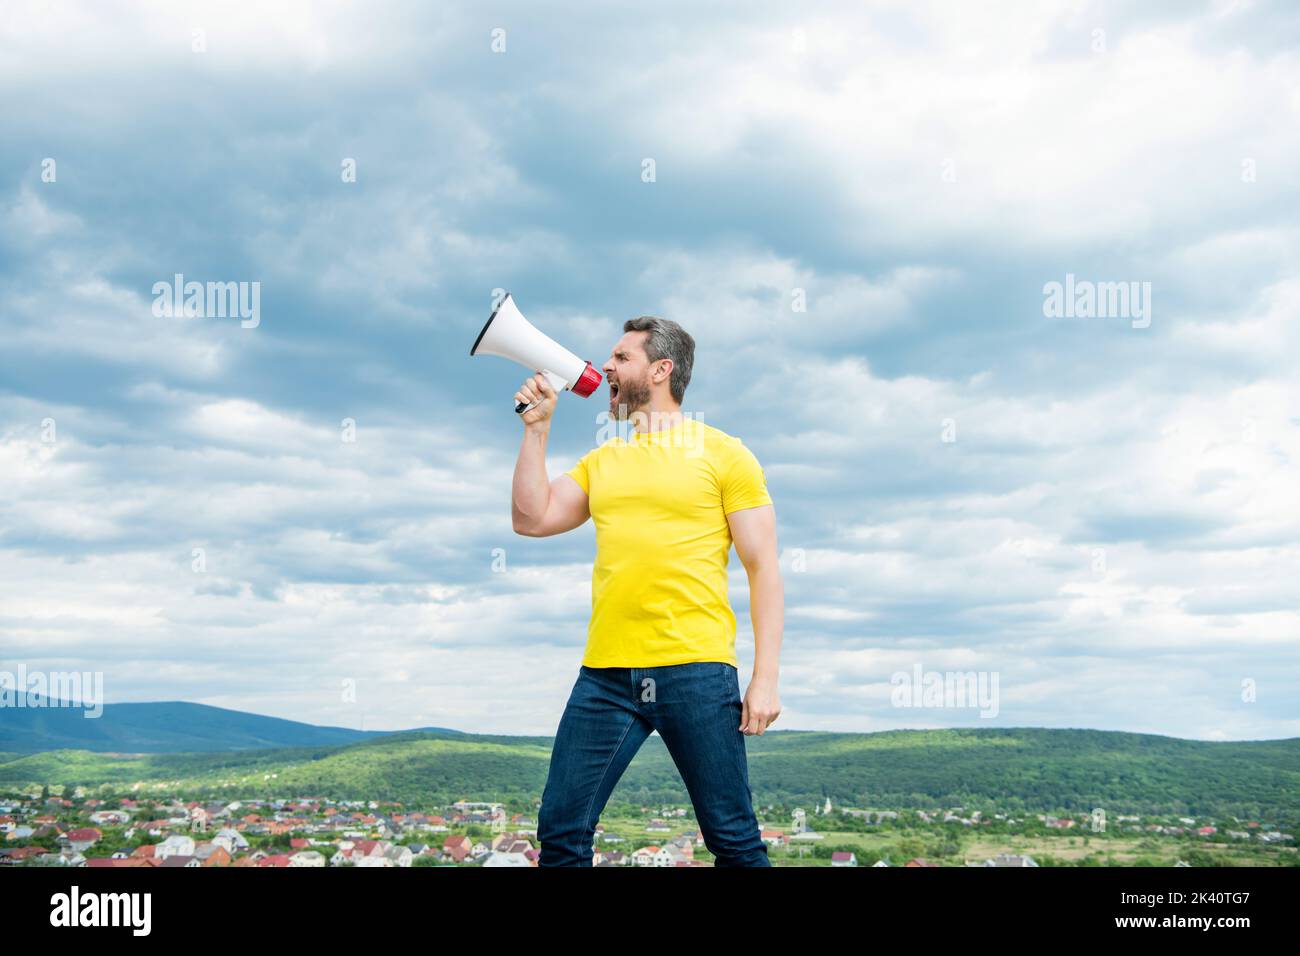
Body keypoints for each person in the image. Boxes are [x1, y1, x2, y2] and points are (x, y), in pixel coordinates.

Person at [511, 314, 783, 867]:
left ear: (661, 370)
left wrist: (765, 680)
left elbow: (764, 569)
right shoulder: (602, 459)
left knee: (732, 838)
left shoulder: (726, 454)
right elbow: (531, 518)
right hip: (605, 676)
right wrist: (536, 430)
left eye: (621, 357)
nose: (605, 366)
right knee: (561, 831)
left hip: (697, 671)